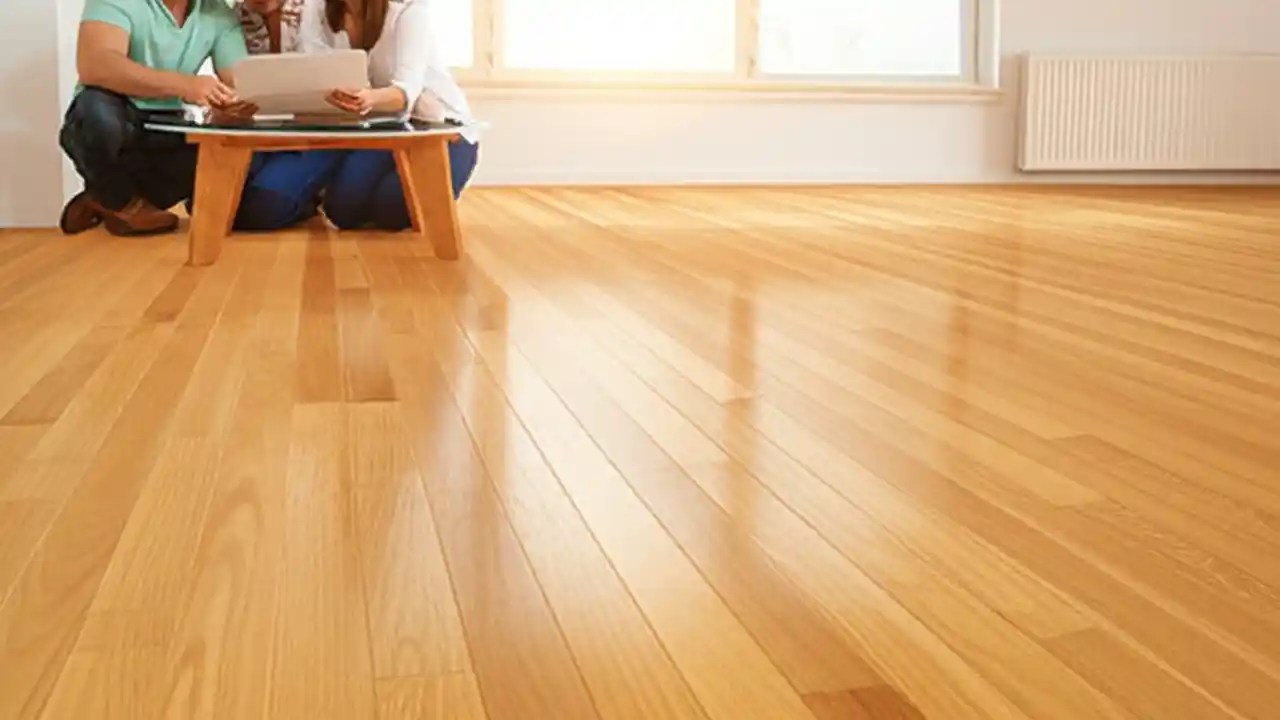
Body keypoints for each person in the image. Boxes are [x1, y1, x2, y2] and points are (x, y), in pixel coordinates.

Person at [59, 0, 249, 236]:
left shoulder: (218, 12)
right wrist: (183, 85)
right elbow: (96, 66)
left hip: (168, 121)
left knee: (218, 156)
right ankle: (122, 202)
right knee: (96, 118)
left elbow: (241, 80)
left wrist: (235, 100)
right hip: (114, 107)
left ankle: (109, 197)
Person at [308, 0, 480, 231]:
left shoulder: (410, 10)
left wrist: (370, 98)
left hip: (442, 131)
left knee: (392, 210)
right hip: (391, 128)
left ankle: (439, 190)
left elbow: (406, 90)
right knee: (341, 212)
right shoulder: (319, 9)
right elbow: (311, 61)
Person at [231, 0, 343, 230]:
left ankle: (306, 197)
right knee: (207, 200)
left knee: (259, 208)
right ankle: (302, 195)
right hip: (259, 134)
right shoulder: (236, 16)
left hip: (313, 136)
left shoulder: (319, 8)